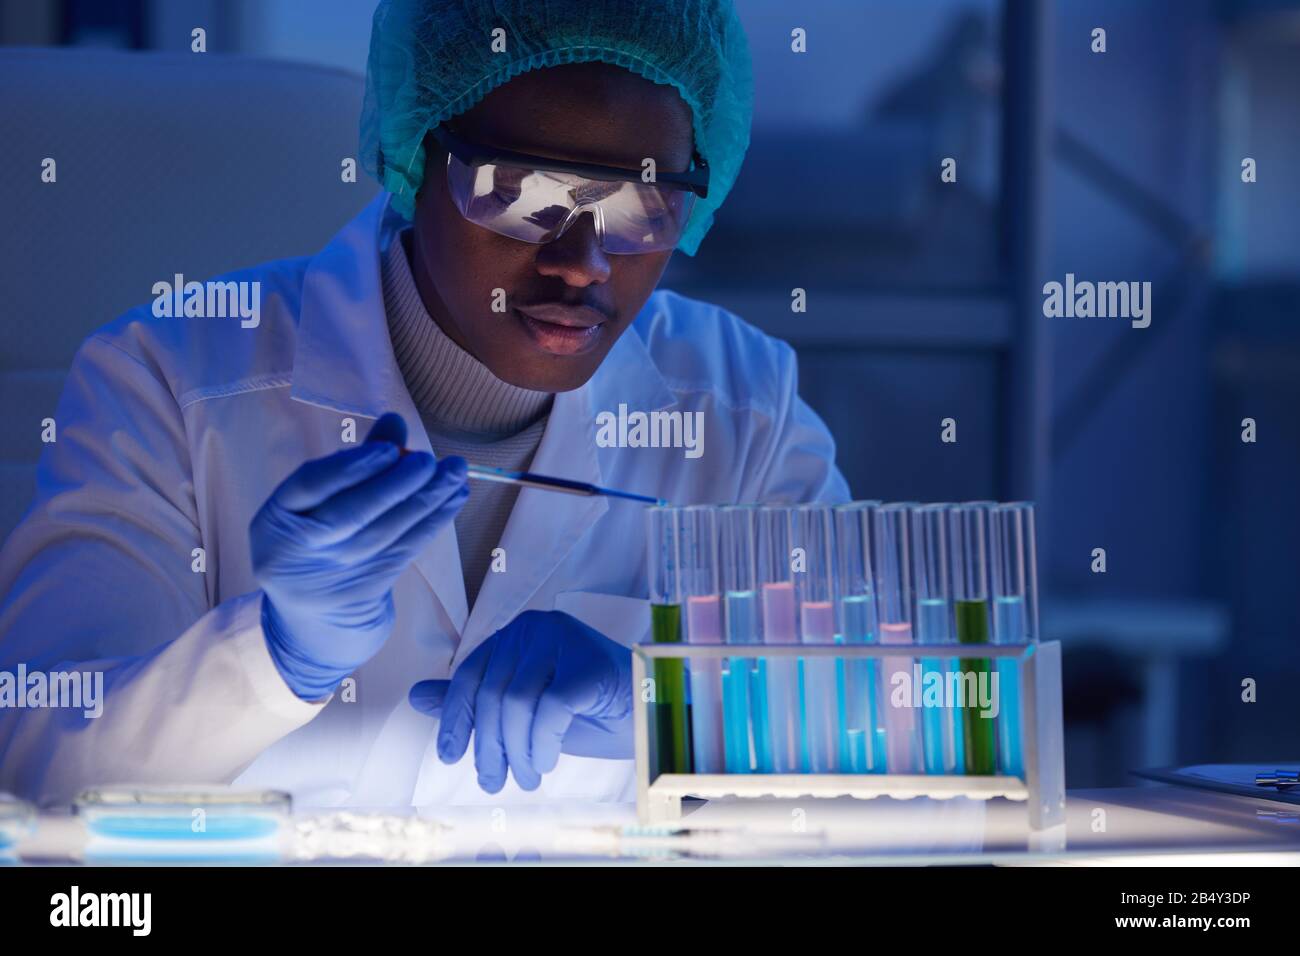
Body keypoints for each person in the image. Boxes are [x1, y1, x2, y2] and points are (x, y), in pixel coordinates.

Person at [0, 0, 847, 808]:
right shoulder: (168, 380)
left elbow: (884, 738)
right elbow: (36, 771)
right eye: (519, 191)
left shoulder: (744, 409)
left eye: (643, 203)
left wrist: (669, 709)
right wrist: (273, 656)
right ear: (416, 159)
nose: (582, 263)